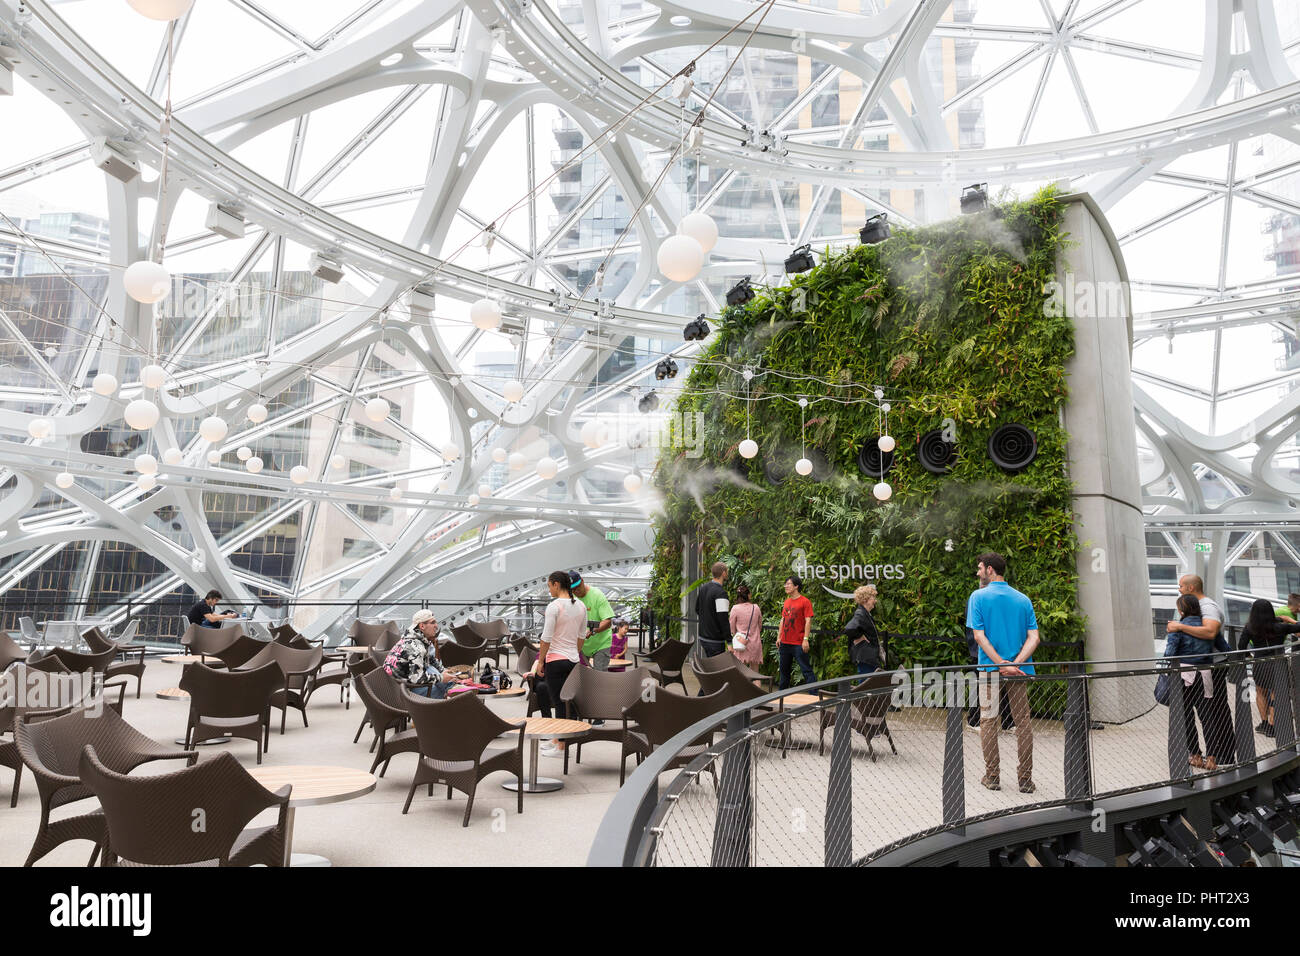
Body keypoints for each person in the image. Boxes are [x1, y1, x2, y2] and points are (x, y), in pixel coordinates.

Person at [966, 552, 1039, 794]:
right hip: (1019, 670)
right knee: (1023, 722)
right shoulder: (1023, 599)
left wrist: (1000, 663)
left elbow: (979, 637)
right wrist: (1015, 663)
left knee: (988, 721)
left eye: (979, 568)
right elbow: (1034, 637)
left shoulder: (977, 597)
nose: (977, 572)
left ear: (989, 569)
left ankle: (992, 776)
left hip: (989, 669)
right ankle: (1026, 780)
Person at [1166, 574, 1235, 766]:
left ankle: (1217, 754)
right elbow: (1221, 643)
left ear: (1190, 589)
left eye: (1180, 586)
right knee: (1210, 714)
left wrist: (1178, 627)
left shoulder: (1207, 607)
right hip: (1206, 670)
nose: (1178, 589)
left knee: (1206, 712)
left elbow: (1211, 632)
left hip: (1203, 670)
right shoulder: (1200, 612)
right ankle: (1216, 755)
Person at [532, 570, 588, 755]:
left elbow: (546, 638)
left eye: (549, 586)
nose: (549, 590)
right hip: (572, 660)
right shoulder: (580, 606)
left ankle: (562, 746)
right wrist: (574, 652)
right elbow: (581, 637)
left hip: (555, 661)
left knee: (558, 702)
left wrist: (541, 661)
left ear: (556, 584)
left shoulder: (554, 606)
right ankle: (558, 738)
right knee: (568, 702)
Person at [1165, 594, 1217, 769]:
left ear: (1181, 610)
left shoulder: (1177, 628)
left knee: (1187, 717)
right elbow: (1225, 648)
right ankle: (1212, 759)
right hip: (1205, 675)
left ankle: (1195, 756)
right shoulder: (1207, 626)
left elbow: (1169, 655)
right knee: (1207, 717)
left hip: (1183, 677)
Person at [1239, 597, 1300, 738]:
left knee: (1261, 692)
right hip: (1278, 663)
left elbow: (1241, 646)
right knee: (1275, 693)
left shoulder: (1250, 627)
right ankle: (1273, 724)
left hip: (1260, 663)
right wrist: (1289, 620)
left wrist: (1249, 656)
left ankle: (1265, 723)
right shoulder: (1280, 627)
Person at [383, 610, 465, 699]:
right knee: (444, 691)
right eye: (432, 623)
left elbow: (430, 659)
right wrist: (441, 678)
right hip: (402, 693)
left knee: (429, 667)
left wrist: (442, 671)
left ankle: (452, 687)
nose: (436, 626)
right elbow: (417, 678)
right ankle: (452, 689)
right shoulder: (415, 646)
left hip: (396, 686)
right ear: (422, 626)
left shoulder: (412, 639)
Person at [571, 571, 615, 671]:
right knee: (579, 674)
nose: (576, 591)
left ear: (582, 581)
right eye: (572, 589)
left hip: (601, 643)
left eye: (577, 587)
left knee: (600, 675)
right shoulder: (572, 598)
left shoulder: (597, 595)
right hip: (581, 643)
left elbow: (608, 621)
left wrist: (593, 631)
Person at [777, 576, 816, 689]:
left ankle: (815, 697)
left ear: (796, 586)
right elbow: (783, 620)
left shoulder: (805, 601)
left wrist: (805, 639)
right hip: (784, 643)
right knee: (784, 673)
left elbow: (808, 621)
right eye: (785, 584)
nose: (786, 586)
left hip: (798, 643)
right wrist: (779, 637)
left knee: (806, 671)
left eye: (788, 584)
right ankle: (781, 698)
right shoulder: (787, 602)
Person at [694, 562, 732, 659]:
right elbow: (723, 619)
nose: (727, 573)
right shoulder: (721, 593)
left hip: (703, 637)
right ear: (723, 573)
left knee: (711, 667)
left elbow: (697, 609)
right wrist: (729, 642)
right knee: (717, 670)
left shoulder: (703, 588)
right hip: (715, 640)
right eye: (726, 571)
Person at [844, 585, 883, 675]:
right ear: (866, 599)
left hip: (868, 657)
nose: (875, 600)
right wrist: (860, 637)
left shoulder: (865, 613)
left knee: (869, 683)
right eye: (873, 597)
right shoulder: (860, 614)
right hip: (865, 657)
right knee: (866, 684)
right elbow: (849, 629)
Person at [728, 584, 764, 670]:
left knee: (740, 672)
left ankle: (742, 684)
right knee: (755, 673)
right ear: (749, 595)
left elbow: (732, 628)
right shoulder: (756, 608)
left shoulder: (735, 608)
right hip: (755, 643)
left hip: (740, 643)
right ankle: (756, 683)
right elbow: (759, 626)